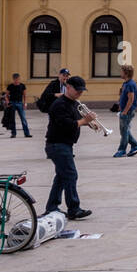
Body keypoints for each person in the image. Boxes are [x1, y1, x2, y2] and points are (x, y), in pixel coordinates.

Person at [44, 75, 96, 220]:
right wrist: (84, 120)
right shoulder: (59, 104)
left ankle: (51, 207)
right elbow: (67, 124)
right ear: (68, 87)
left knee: (61, 177)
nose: (80, 93)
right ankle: (74, 208)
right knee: (71, 174)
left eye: (81, 91)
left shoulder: (73, 103)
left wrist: (88, 123)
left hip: (64, 144)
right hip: (57, 145)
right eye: (77, 90)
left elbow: (75, 121)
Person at [115, 64, 137, 157]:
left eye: (121, 71)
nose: (120, 73)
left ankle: (122, 150)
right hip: (124, 110)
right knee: (124, 130)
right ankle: (135, 145)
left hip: (128, 112)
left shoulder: (131, 84)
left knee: (124, 131)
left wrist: (125, 111)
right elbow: (123, 96)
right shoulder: (125, 83)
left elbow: (131, 99)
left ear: (126, 73)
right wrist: (120, 106)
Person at [5, 73, 31, 138]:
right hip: (12, 103)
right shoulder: (10, 86)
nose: (17, 81)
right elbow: (6, 95)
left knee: (23, 118)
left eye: (18, 79)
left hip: (20, 103)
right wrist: (8, 102)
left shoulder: (22, 86)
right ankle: (13, 133)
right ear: (13, 79)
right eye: (15, 80)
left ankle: (27, 133)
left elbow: (25, 95)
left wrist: (25, 103)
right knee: (12, 119)